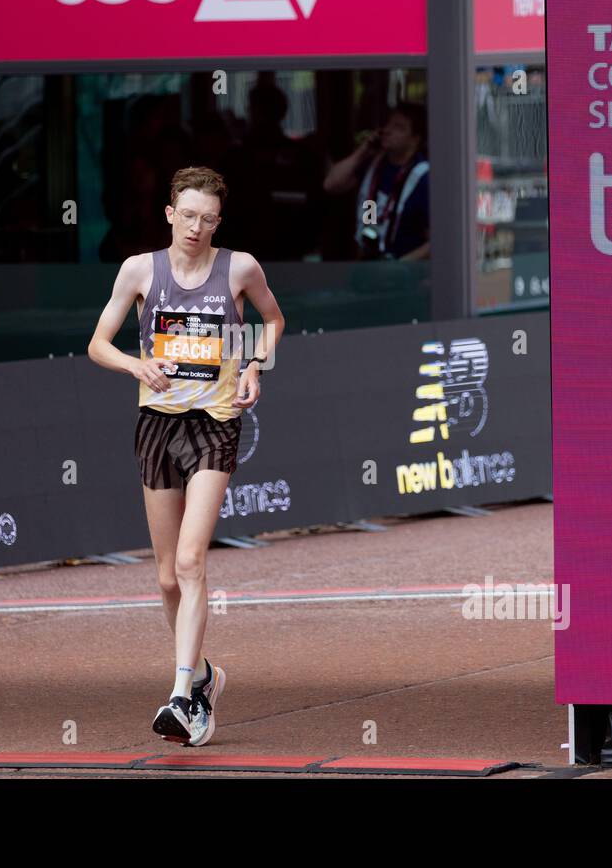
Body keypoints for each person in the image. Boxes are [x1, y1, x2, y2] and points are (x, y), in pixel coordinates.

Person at [87, 166, 285, 747]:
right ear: (170, 213)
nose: (197, 227)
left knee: (193, 561)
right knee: (168, 576)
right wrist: (134, 364)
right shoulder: (139, 270)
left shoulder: (240, 267)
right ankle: (203, 675)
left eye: (209, 219)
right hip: (156, 425)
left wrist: (253, 365)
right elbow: (98, 342)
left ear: (218, 222)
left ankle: (182, 696)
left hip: (215, 425)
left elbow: (272, 320)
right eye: (188, 215)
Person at [323, 102, 431, 260]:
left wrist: (401, 266)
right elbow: (331, 184)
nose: (387, 131)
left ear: (415, 139)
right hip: (368, 263)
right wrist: (362, 151)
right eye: (387, 124)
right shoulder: (374, 165)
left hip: (402, 269)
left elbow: (434, 241)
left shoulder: (423, 177)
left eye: (398, 127)